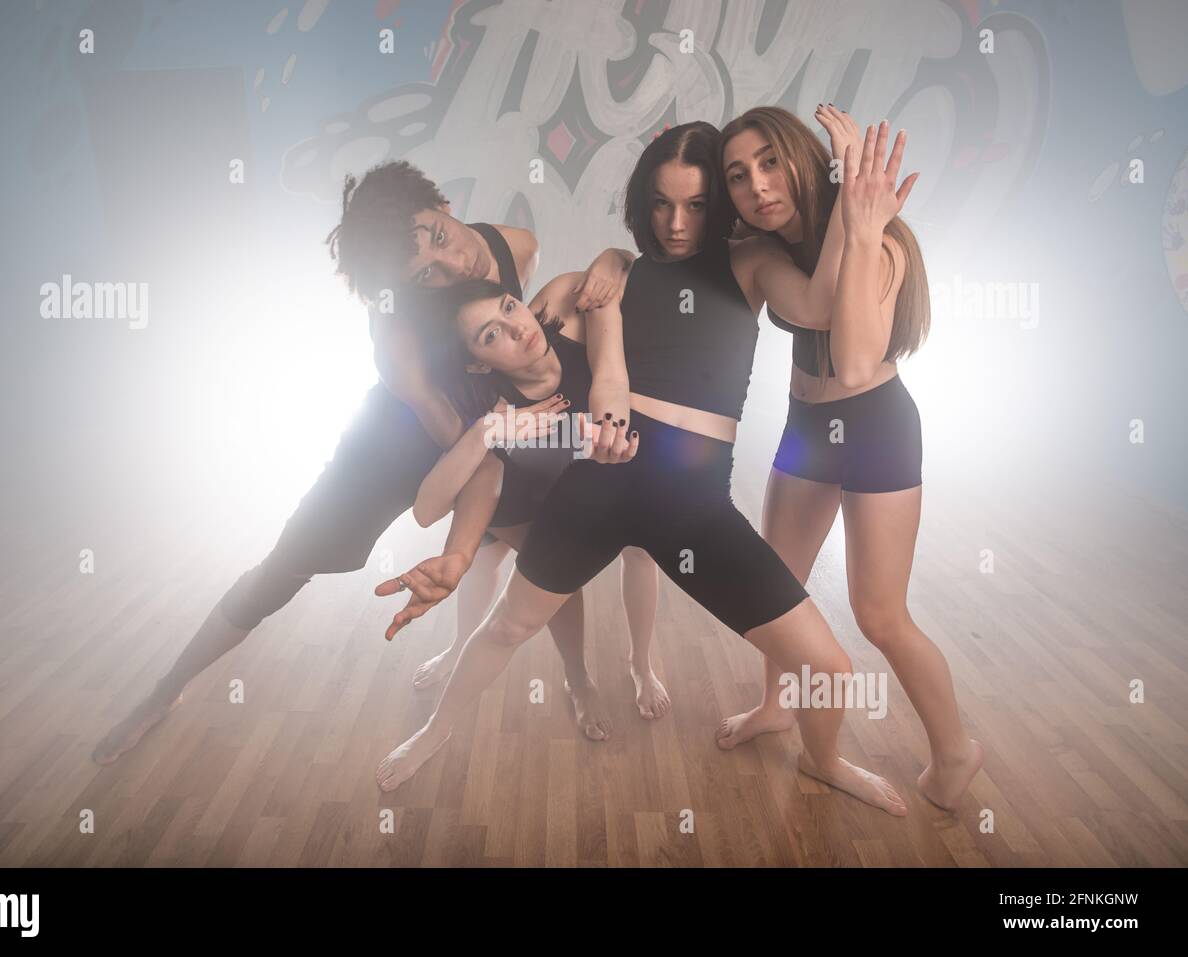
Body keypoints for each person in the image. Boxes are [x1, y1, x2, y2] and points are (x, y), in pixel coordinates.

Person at [374, 122, 911, 817]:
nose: (677, 223)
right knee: (508, 627)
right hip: (601, 483)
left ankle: (824, 756)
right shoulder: (619, 274)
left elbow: (816, 303)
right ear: (642, 203)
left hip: (694, 505)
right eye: (661, 204)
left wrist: (851, 204)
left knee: (832, 668)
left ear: (718, 204)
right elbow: (530, 345)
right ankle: (435, 728)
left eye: (693, 205)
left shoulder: (747, 264)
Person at [92, 161, 629, 764]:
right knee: (283, 569)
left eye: (440, 238)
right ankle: (164, 692)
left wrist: (612, 260)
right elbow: (459, 445)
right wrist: (466, 525)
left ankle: (578, 680)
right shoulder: (396, 338)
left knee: (544, 560)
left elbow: (515, 338)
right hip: (397, 445)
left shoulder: (516, 247)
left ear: (445, 204)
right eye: (425, 272)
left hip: (483, 425)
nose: (452, 267)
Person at [715, 106, 983, 809]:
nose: (759, 186)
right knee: (777, 584)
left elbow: (858, 364)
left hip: (876, 428)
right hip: (807, 424)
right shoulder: (777, 248)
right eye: (739, 175)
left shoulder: (880, 237)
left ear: (806, 160)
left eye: (770, 162)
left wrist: (862, 230)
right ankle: (775, 703)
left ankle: (956, 749)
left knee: (879, 614)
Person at [409, 270, 666, 726]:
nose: (516, 329)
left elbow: (630, 271)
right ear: (479, 363)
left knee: (642, 549)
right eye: (492, 336)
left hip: (590, 477)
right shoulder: (491, 403)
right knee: (498, 566)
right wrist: (488, 431)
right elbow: (427, 509)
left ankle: (641, 665)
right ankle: (575, 678)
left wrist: (614, 257)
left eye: (510, 308)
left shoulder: (575, 333)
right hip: (524, 492)